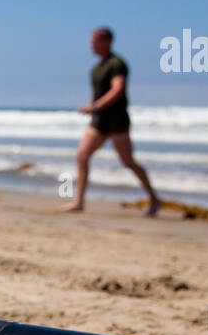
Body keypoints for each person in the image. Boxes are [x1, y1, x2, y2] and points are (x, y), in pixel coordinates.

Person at [60, 27, 161, 216]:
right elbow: (96, 93)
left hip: (116, 120)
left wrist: (96, 106)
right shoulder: (96, 68)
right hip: (99, 121)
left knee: (128, 161)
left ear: (107, 42)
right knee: (82, 155)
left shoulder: (117, 64)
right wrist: (92, 108)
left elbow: (118, 90)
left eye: (94, 41)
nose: (91, 45)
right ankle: (78, 201)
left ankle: (154, 199)